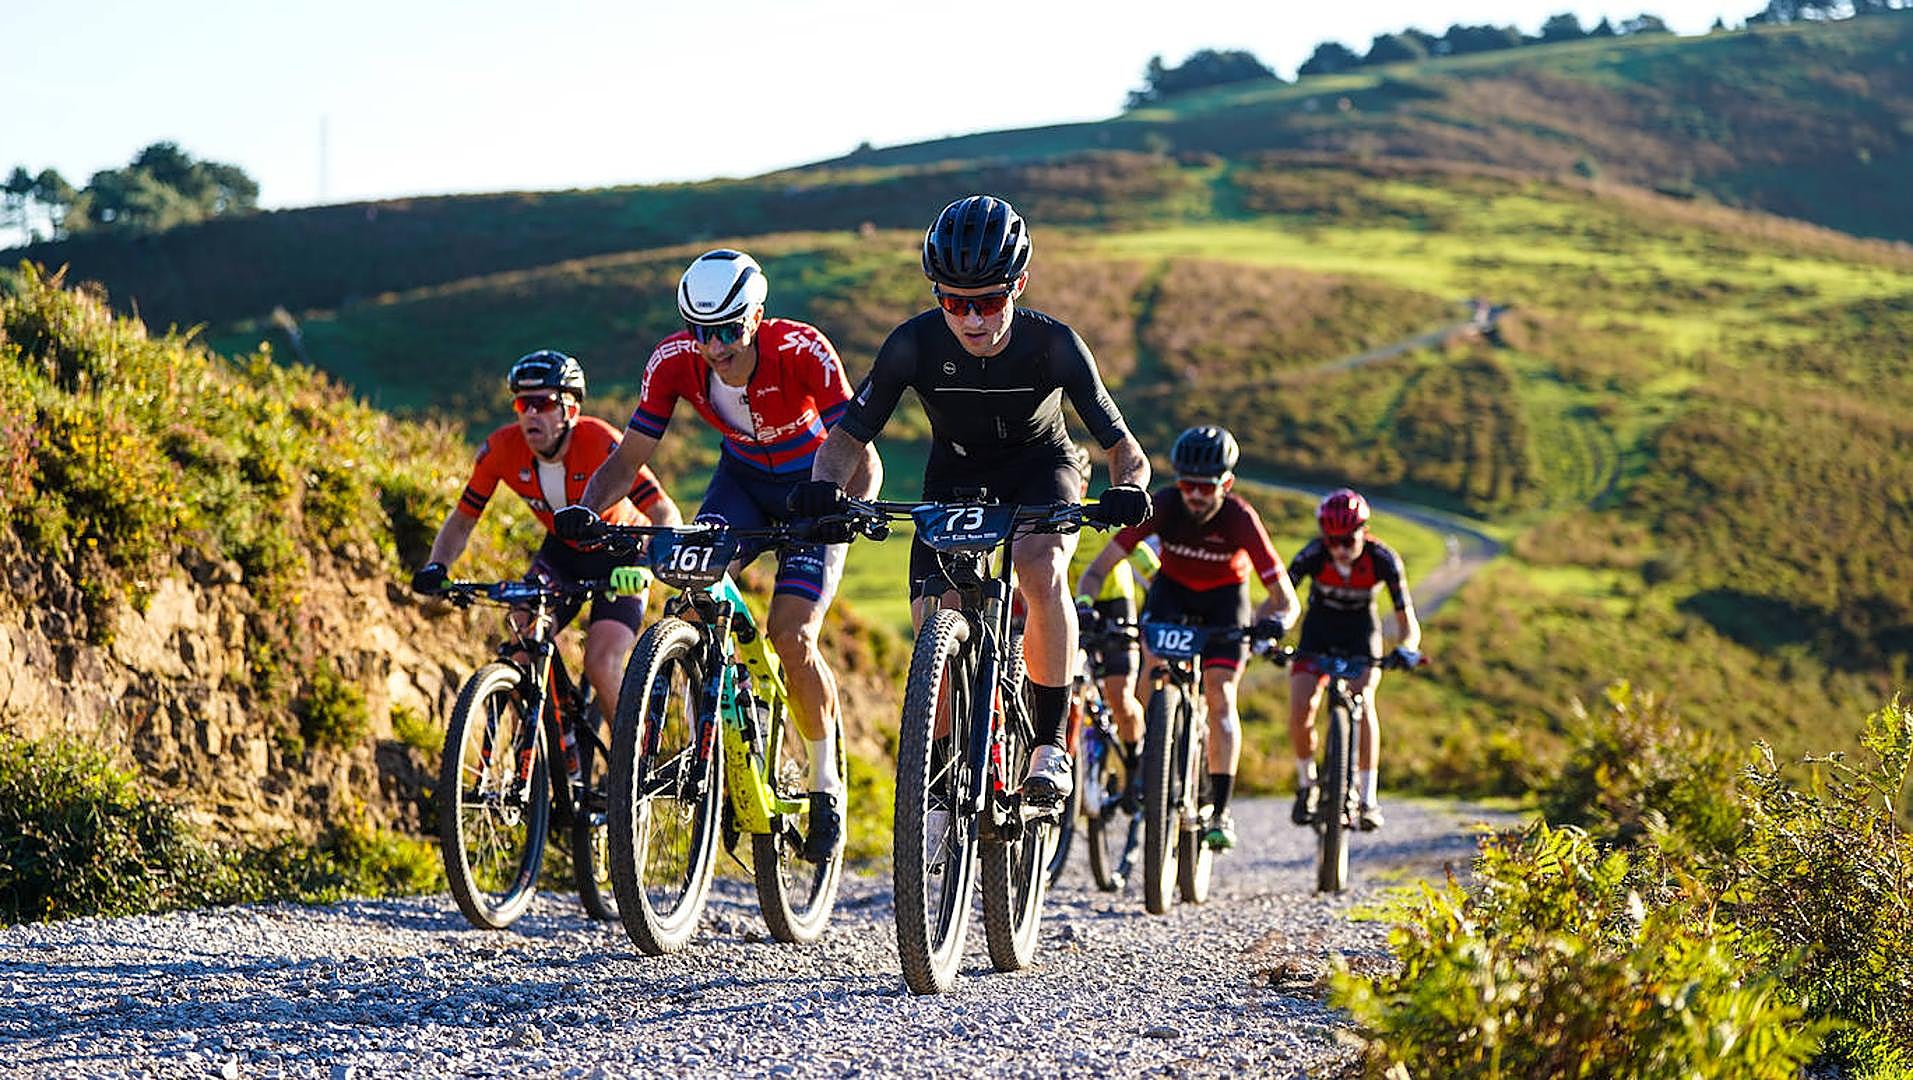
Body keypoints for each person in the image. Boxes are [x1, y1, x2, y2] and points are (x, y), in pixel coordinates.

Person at [796, 194, 1153, 804]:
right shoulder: (911, 344)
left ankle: (1047, 746)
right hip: (956, 475)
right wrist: (825, 489)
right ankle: (936, 788)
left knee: (1039, 569)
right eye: (954, 302)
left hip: (1046, 470)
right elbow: (846, 440)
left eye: (987, 301)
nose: (972, 320)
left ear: (1018, 284)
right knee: (932, 621)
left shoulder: (1055, 345)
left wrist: (1128, 490)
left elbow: (1125, 448)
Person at [555, 249, 880, 861]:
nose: (714, 347)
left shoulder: (803, 350)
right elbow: (629, 457)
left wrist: (850, 506)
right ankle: (715, 726)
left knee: (792, 635)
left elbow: (858, 447)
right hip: (742, 486)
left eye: (729, 331)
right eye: (700, 332)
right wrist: (589, 510)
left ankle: (823, 777)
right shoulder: (674, 362)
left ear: (757, 316)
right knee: (694, 590)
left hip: (816, 484)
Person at [411, 350, 681, 728]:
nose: (531, 414)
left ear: (570, 410)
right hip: (563, 553)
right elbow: (462, 520)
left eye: (543, 403)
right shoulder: (502, 449)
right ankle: (539, 761)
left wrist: (651, 565)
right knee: (521, 647)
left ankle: (630, 771)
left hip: (623, 555)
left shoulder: (601, 441)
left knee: (601, 663)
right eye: (523, 403)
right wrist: (437, 566)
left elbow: (664, 510)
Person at [1077, 425, 1300, 851]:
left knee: (1219, 697)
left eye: (1206, 487)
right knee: (1149, 675)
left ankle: (1219, 809)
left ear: (1227, 484)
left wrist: (1275, 621)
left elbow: (1285, 599)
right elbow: (1097, 569)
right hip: (1171, 594)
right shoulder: (1162, 505)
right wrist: (1086, 601)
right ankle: (1145, 769)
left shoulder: (1239, 519)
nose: (1194, 495)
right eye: (1187, 485)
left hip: (1225, 602)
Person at [1286, 488, 1422, 832]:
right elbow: (1281, 599)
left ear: (1364, 531)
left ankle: (1367, 799)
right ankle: (1306, 785)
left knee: (1363, 702)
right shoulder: (1313, 554)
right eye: (1332, 541)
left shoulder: (1383, 559)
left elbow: (1408, 623)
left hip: (1361, 633)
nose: (1340, 549)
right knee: (1301, 705)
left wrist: (1406, 647)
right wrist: (1267, 632)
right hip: (1318, 631)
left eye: (1347, 540)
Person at [1065, 448, 1159, 754]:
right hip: (1071, 608)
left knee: (1120, 697)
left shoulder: (1101, 518)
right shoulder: (1042, 523)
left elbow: (1147, 564)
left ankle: (1134, 765)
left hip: (1115, 607)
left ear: (1081, 486)